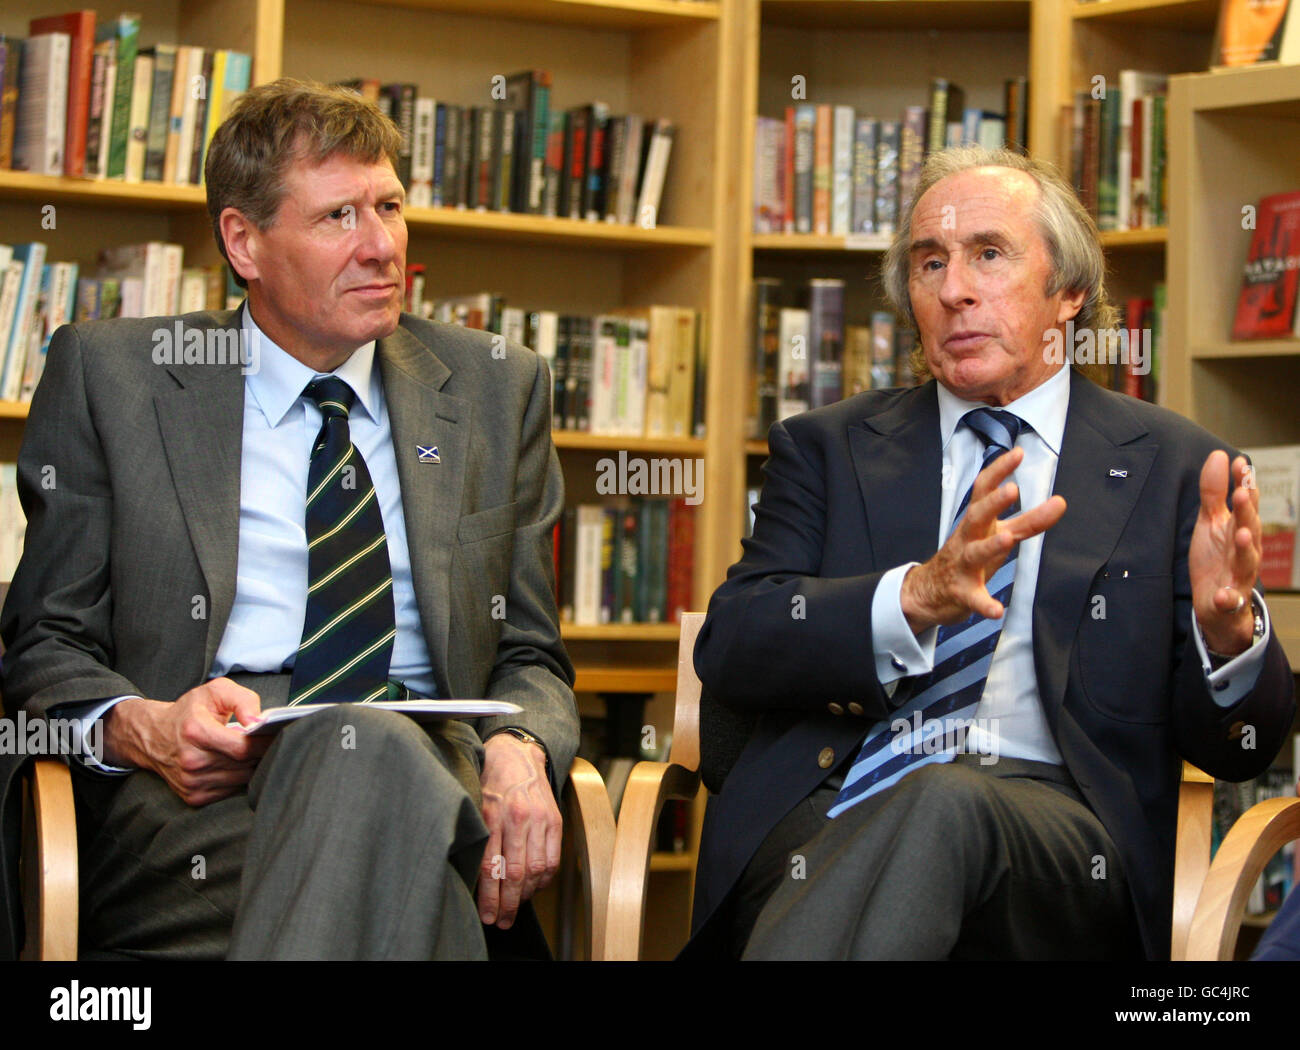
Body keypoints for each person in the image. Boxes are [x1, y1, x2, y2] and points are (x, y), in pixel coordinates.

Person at [0, 78, 578, 960]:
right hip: (202, 810)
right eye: (338, 217)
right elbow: (44, 643)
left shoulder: (499, 387)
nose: (382, 246)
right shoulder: (115, 380)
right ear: (244, 242)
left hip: (438, 777)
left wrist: (523, 746)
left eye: (389, 205)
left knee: (377, 756)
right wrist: (145, 726)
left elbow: (530, 652)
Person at [688, 145, 1295, 961]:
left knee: (946, 799)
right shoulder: (829, 449)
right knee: (927, 807)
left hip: (1061, 849)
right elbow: (732, 646)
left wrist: (1228, 639)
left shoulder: (1178, 466)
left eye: (988, 254)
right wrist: (913, 596)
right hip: (829, 820)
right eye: (927, 263)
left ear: (1070, 292)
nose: (953, 290)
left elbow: (1244, 753)